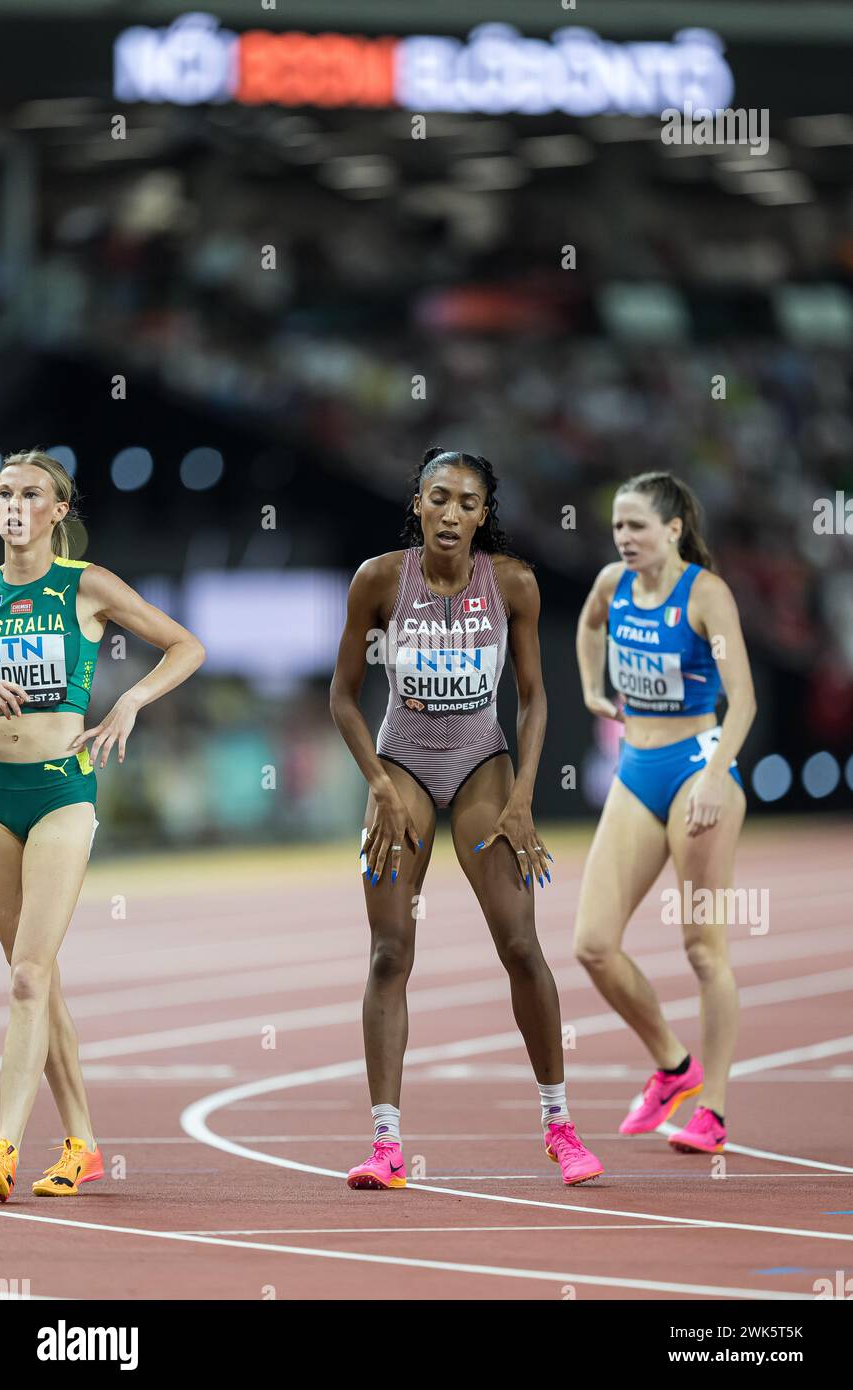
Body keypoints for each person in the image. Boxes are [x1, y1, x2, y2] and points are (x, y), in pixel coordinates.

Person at [330, 447, 603, 1189]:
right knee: (390, 954)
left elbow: (535, 696)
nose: (452, 513)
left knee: (520, 944)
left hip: (484, 762)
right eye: (439, 498)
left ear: (485, 515)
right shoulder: (380, 581)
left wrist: (523, 798)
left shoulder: (512, 583)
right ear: (416, 503)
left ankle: (560, 1125)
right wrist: (379, 786)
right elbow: (344, 697)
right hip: (402, 766)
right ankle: (386, 1146)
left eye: (468, 502)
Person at [0, 449, 205, 1201]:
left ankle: (4, 1147)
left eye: (30, 494)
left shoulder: (88, 586)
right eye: (4, 492)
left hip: (60, 794)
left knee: (24, 974)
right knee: (38, 983)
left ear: (57, 512)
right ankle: (81, 1143)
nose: (13, 505)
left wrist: (130, 701)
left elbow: (188, 644)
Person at [575, 471, 756, 1154]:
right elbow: (591, 631)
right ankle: (675, 1065)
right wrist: (593, 687)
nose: (624, 538)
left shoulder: (704, 595)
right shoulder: (609, 587)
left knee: (704, 950)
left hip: (696, 769)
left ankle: (712, 1111)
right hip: (636, 767)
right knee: (592, 943)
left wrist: (715, 778)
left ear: (673, 529)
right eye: (618, 526)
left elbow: (744, 700)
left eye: (637, 526)